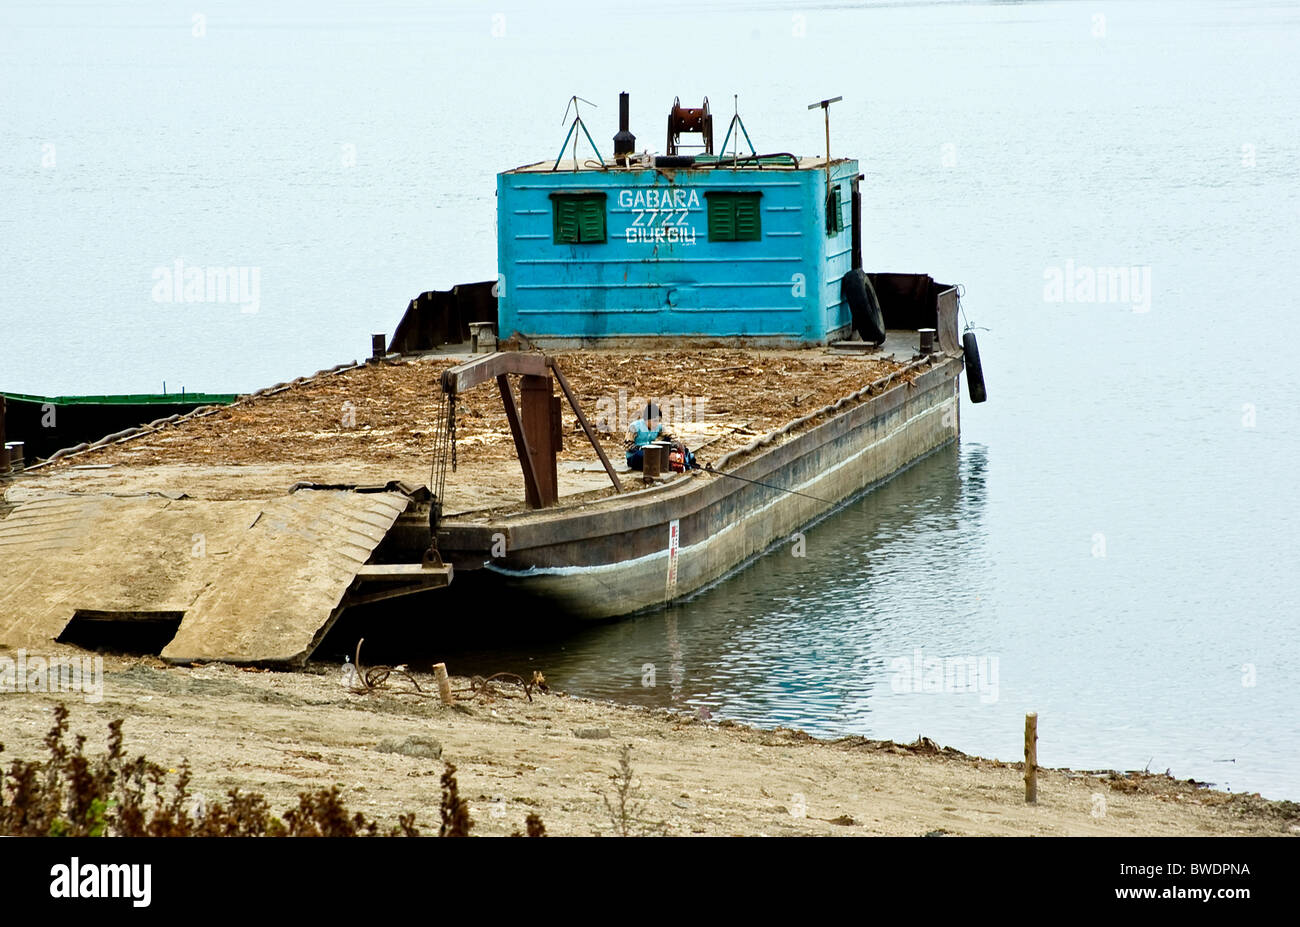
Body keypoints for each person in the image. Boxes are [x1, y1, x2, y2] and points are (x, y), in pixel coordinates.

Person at [625, 402, 668, 471]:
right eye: (655, 421)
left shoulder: (659, 427)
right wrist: (643, 449)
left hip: (652, 455)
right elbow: (627, 445)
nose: (657, 423)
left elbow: (672, 437)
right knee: (641, 455)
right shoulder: (634, 426)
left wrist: (673, 450)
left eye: (658, 421)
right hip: (635, 456)